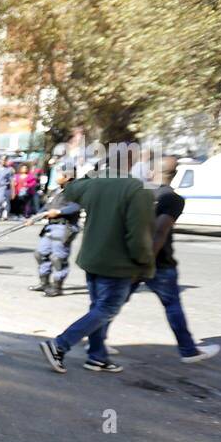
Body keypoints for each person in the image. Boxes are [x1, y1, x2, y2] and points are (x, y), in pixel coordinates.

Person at [39, 160, 155, 374]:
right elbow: (139, 236)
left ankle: (97, 356)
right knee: (107, 309)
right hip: (118, 263)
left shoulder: (94, 183)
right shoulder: (138, 189)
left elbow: (72, 189)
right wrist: (145, 264)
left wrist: (93, 172)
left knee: (98, 309)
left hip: (92, 258)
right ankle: (59, 345)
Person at [125, 155, 220, 363]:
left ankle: (96, 339)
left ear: (151, 173)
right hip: (158, 262)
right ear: (175, 175)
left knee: (114, 301)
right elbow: (160, 232)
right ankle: (188, 350)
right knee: (172, 305)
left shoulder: (139, 194)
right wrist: (145, 262)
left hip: (133, 257)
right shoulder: (173, 198)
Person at [29, 166, 81, 296]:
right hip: (50, 227)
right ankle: (44, 283)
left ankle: (57, 287)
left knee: (58, 258)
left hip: (64, 227)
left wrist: (59, 212)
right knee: (40, 254)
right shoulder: (57, 191)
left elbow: (77, 206)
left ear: (67, 177)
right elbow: (47, 207)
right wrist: (34, 217)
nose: (56, 177)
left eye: (59, 175)